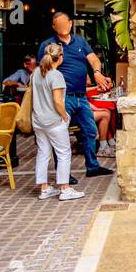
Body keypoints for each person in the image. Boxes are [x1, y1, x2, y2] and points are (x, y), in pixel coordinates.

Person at [37, 12, 113, 178]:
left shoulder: (80, 41)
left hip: (81, 96)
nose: (63, 26)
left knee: (90, 130)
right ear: (54, 27)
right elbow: (42, 71)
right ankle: (63, 174)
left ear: (70, 24)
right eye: (59, 24)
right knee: (61, 135)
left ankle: (92, 167)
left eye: (66, 23)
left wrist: (97, 73)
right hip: (62, 97)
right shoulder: (48, 45)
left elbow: (93, 59)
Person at [30, 43, 84, 202]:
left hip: (38, 121)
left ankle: (44, 188)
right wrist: (65, 115)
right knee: (63, 153)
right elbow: (57, 101)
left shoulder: (36, 73)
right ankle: (65, 188)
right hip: (54, 121)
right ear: (60, 57)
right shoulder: (56, 75)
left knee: (43, 153)